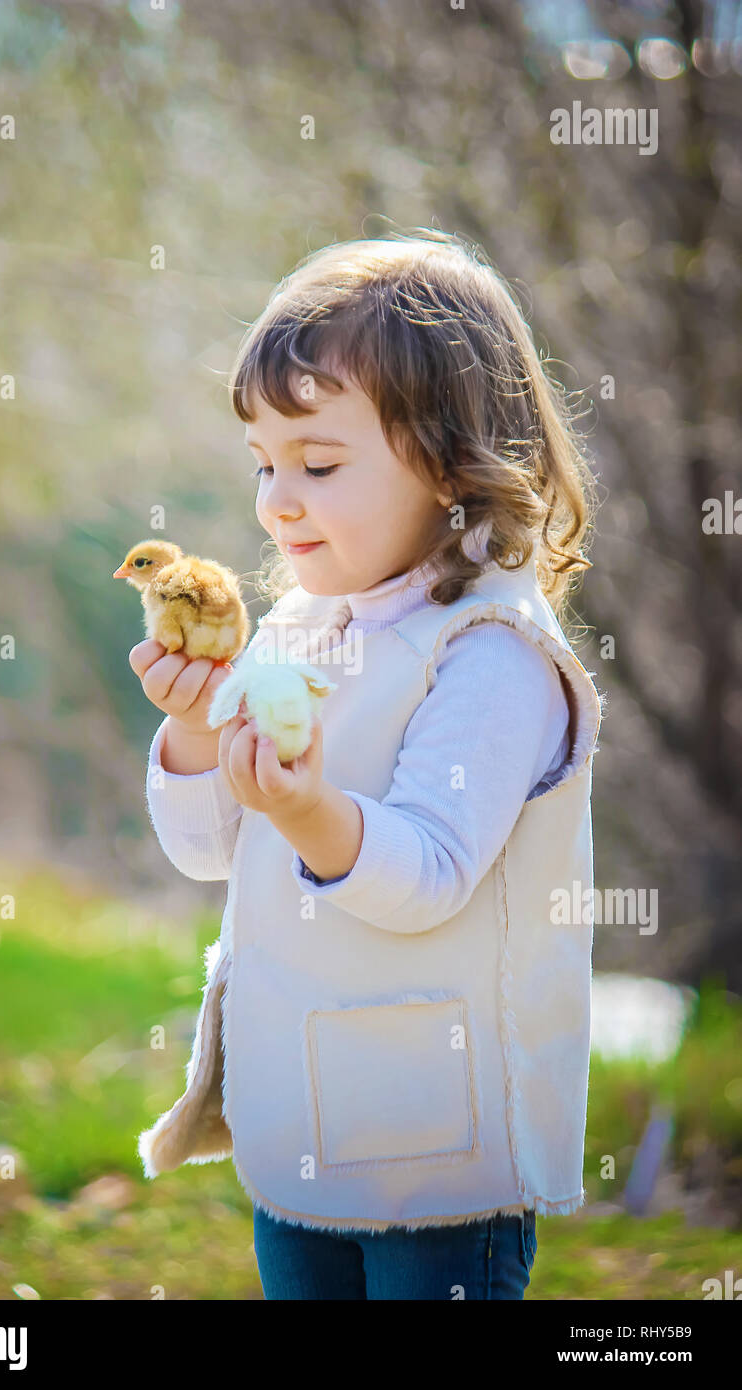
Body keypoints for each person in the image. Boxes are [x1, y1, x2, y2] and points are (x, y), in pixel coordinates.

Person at [131, 229, 607, 1300]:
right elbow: (206, 847)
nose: (274, 501)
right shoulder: (299, 626)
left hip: (436, 1162)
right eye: (262, 463)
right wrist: (199, 733)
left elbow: (430, 869)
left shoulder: (493, 654)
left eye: (318, 464)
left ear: (449, 464)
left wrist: (304, 811)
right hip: (295, 1137)